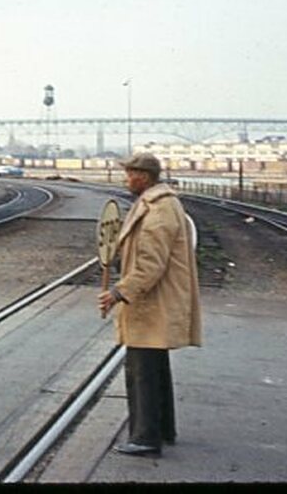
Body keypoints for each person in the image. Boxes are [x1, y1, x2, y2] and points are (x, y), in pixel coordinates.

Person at [99, 152, 202, 457]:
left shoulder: (157, 212)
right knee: (155, 366)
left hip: (152, 302)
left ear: (143, 177)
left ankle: (145, 438)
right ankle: (164, 429)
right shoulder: (161, 204)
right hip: (158, 300)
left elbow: (149, 266)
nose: (126, 179)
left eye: (130, 174)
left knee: (141, 369)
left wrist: (118, 292)